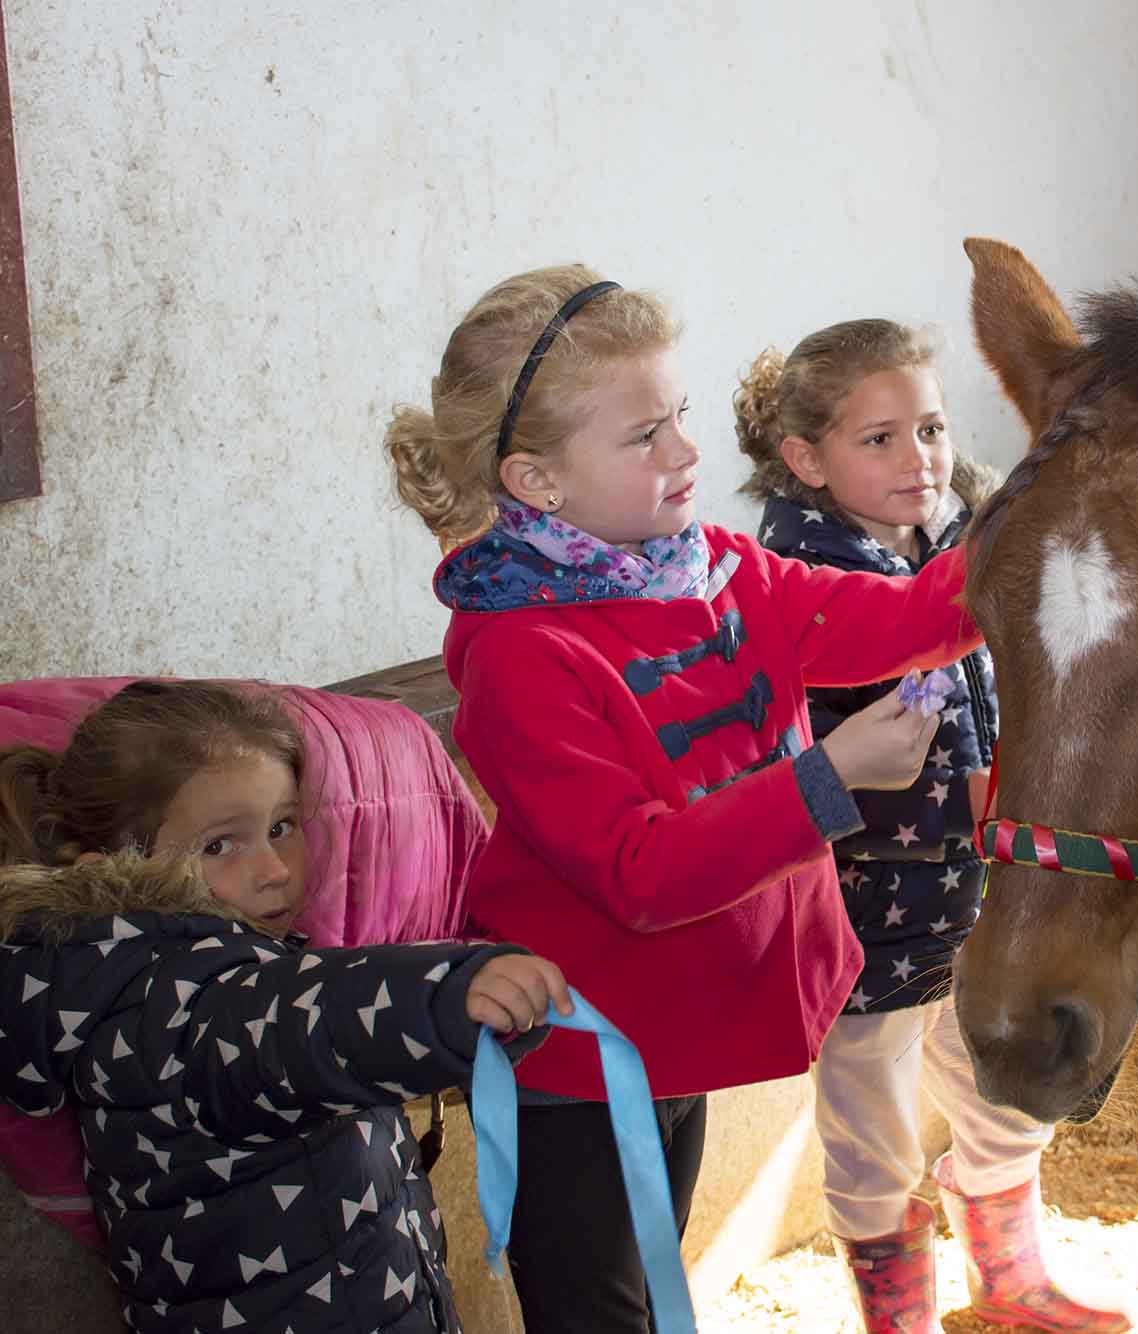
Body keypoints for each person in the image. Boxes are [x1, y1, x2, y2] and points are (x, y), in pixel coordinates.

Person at [384, 266, 982, 1332]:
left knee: (663, 1301)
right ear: (537, 480)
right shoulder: (526, 655)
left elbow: (903, 619)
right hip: (580, 1057)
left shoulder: (709, 566)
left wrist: (1044, 530)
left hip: (680, 1026)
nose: (686, 452)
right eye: (643, 433)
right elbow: (640, 871)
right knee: (603, 1311)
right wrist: (830, 775)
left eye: (681, 416)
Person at [736, 317, 1133, 1332]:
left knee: (1005, 1097)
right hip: (860, 933)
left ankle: (1010, 1277)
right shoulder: (803, 585)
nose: (919, 459)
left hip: (968, 913)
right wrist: (988, 803)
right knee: (869, 1136)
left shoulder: (956, 538)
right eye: (878, 438)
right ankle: (895, 1315)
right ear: (804, 459)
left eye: (930, 428)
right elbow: (820, 777)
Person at [0, 678, 569, 1333]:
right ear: (112, 869)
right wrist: (445, 996)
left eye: (282, 826)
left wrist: (475, 1017)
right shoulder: (165, 1005)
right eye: (220, 844)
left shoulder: (217, 965)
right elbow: (303, 1021)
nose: (273, 869)